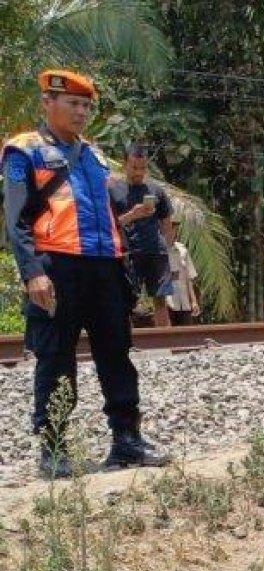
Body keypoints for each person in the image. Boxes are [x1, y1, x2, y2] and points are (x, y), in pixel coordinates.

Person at [2, 70, 170, 478]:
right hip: (57, 267)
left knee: (116, 354)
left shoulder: (93, 155)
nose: (81, 112)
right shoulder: (24, 151)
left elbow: (107, 214)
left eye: (86, 106)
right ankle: (54, 449)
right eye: (73, 104)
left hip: (105, 268)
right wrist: (32, 273)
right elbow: (15, 219)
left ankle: (126, 440)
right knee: (56, 357)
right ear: (48, 103)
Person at [108, 143, 174, 327]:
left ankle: (165, 341)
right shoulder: (113, 190)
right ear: (125, 165)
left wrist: (168, 250)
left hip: (156, 251)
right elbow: (109, 225)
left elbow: (166, 223)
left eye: (143, 168)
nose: (139, 172)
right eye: (134, 167)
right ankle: (126, 345)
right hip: (128, 253)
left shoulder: (156, 191)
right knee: (126, 301)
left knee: (160, 299)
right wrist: (132, 215)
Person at [161, 218, 200, 326]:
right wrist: (172, 276)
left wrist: (194, 301)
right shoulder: (160, 250)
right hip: (168, 301)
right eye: (169, 228)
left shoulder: (182, 250)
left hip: (184, 301)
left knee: (186, 335)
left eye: (174, 229)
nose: (172, 231)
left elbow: (188, 278)